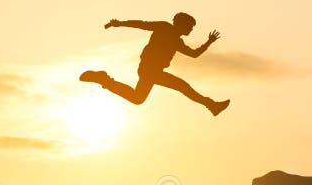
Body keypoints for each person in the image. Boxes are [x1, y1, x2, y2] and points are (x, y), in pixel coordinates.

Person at [79, 12, 230, 116]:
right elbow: (142, 24)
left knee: (138, 98)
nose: (191, 29)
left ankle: (103, 80)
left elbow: (194, 54)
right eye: (190, 26)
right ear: (182, 24)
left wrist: (208, 42)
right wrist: (120, 23)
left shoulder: (177, 41)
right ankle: (212, 105)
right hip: (149, 70)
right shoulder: (164, 27)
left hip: (151, 71)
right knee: (183, 87)